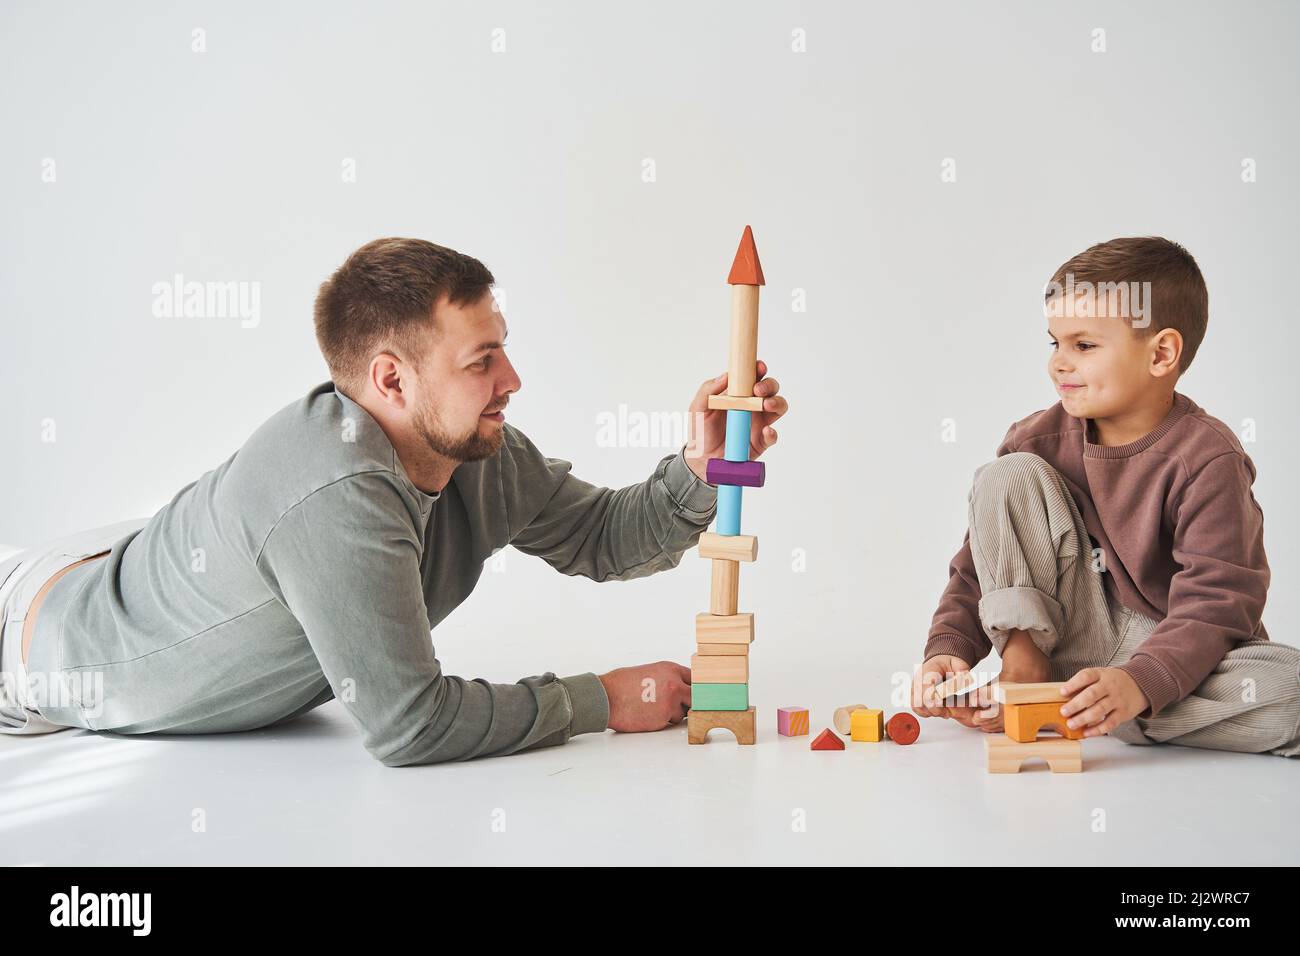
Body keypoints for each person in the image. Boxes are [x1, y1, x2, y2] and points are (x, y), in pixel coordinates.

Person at [0, 237, 788, 766]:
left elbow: (605, 536)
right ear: (390, 380)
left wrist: (702, 466)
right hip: (42, 647)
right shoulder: (337, 491)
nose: (512, 380)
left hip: (131, 564)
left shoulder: (469, 448)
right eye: (483, 360)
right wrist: (599, 701)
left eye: (503, 346)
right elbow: (409, 723)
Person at [912, 236, 1300, 756]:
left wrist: (1142, 682)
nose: (1059, 364)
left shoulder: (1207, 458)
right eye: (1055, 343)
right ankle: (1031, 676)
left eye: (1084, 345)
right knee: (1005, 475)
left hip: (1168, 646)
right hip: (1064, 630)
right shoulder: (1035, 441)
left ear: (1161, 353)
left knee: (1287, 688)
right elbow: (977, 568)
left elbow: (1220, 601)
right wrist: (951, 647)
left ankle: (1101, 707)